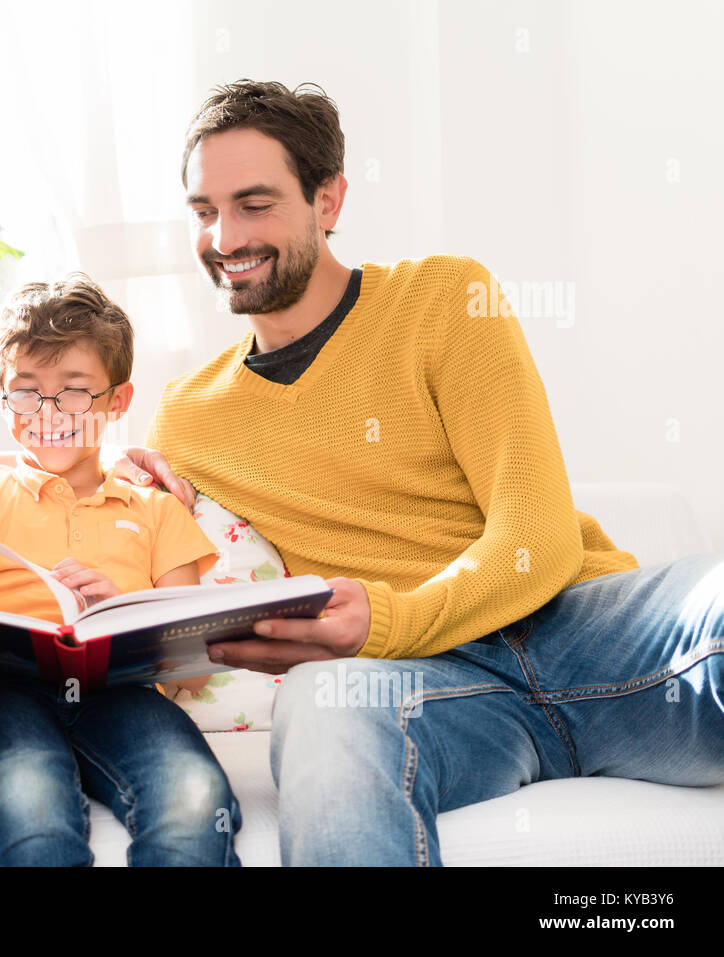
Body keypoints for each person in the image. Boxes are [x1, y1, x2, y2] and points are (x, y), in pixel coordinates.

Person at [131, 80, 724, 865]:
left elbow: (535, 543)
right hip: (421, 692)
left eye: (254, 203)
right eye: (203, 211)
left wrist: (382, 618)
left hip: (587, 630)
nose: (224, 235)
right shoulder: (189, 417)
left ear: (328, 199)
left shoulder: (444, 299)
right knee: (322, 701)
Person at [0, 274, 242, 866]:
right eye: (25, 392)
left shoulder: (157, 508)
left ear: (118, 401)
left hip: (127, 694)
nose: (47, 413)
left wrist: (124, 613)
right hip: (7, 694)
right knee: (32, 815)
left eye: (74, 392)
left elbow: (192, 672)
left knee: (194, 805)